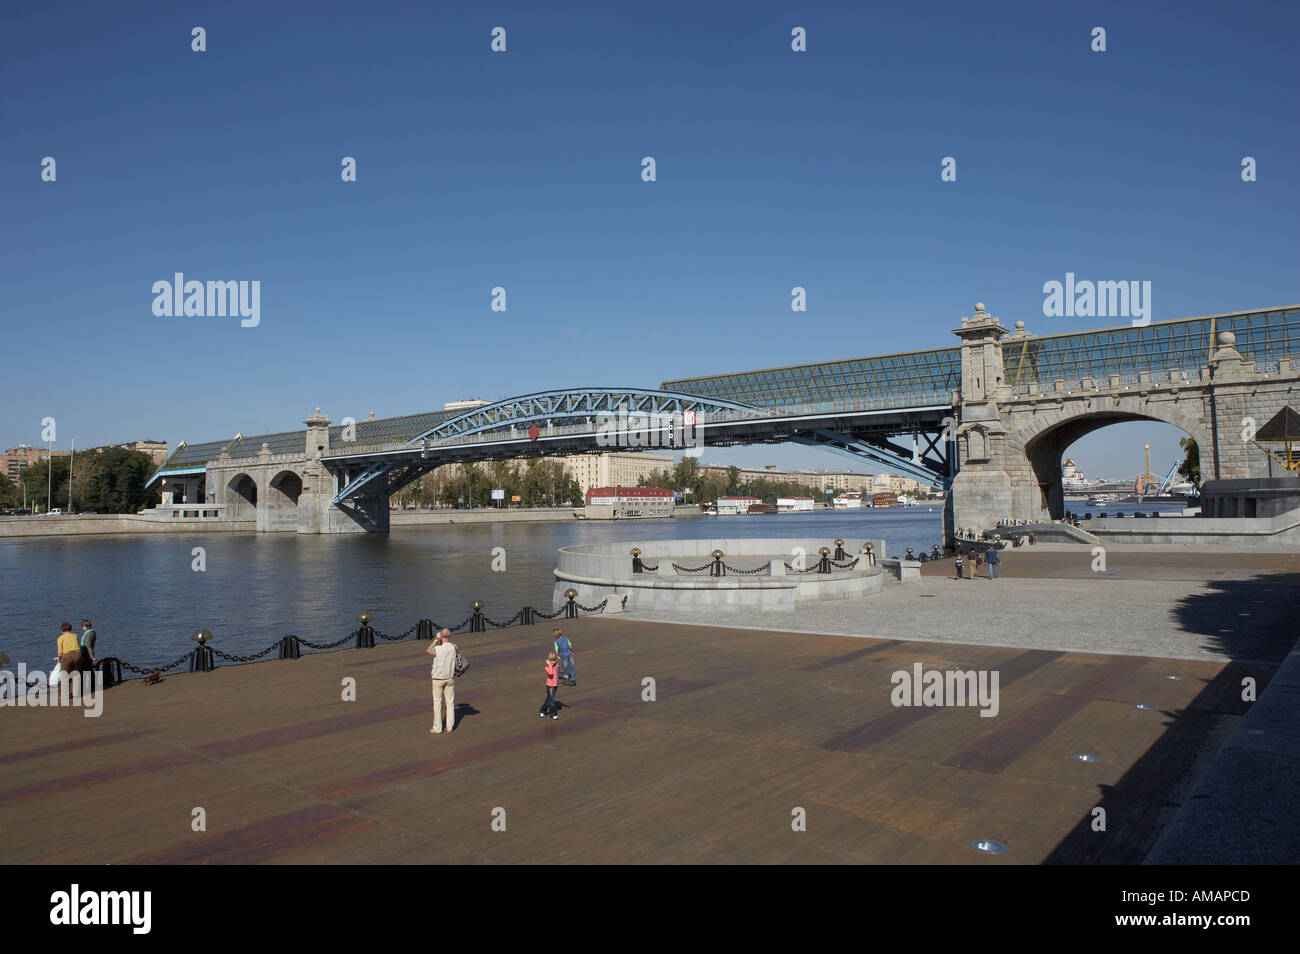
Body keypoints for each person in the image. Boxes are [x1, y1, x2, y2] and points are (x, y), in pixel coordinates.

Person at [425, 628, 457, 734]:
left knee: (437, 703)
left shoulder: (438, 649)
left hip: (438, 678)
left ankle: (438, 727)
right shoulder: (454, 647)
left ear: (441, 637)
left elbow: (428, 651)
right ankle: (450, 726)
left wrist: (435, 640)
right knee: (450, 702)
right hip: (449, 677)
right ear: (450, 637)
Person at [539, 651, 560, 720]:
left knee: (549, 699)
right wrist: (549, 665)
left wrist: (563, 676)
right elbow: (550, 673)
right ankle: (553, 714)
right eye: (551, 660)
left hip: (555, 685)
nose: (552, 662)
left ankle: (542, 710)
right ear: (548, 660)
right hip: (550, 685)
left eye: (553, 660)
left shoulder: (556, 666)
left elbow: (558, 673)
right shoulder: (547, 667)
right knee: (552, 700)